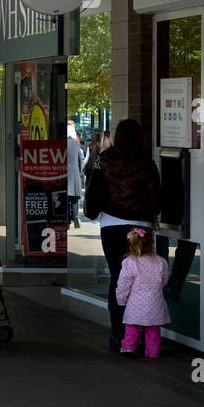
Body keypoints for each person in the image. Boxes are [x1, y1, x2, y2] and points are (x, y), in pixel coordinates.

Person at [83, 118, 160, 353]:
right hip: (140, 226)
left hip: (111, 224)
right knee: (143, 280)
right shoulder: (146, 163)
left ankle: (119, 333)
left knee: (118, 277)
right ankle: (143, 334)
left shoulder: (104, 160)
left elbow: (93, 184)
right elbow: (156, 198)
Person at [115, 227, 170, 359]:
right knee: (153, 331)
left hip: (135, 304)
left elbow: (123, 284)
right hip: (155, 303)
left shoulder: (129, 262)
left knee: (132, 329)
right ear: (152, 243)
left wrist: (121, 300)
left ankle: (128, 349)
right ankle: (153, 353)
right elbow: (164, 280)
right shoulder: (161, 261)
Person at [66, 122, 84, 230]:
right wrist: (80, 170)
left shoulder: (63, 143)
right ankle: (76, 216)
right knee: (74, 199)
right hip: (75, 171)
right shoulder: (77, 144)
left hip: (65, 171)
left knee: (66, 198)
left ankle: (67, 221)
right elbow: (79, 159)